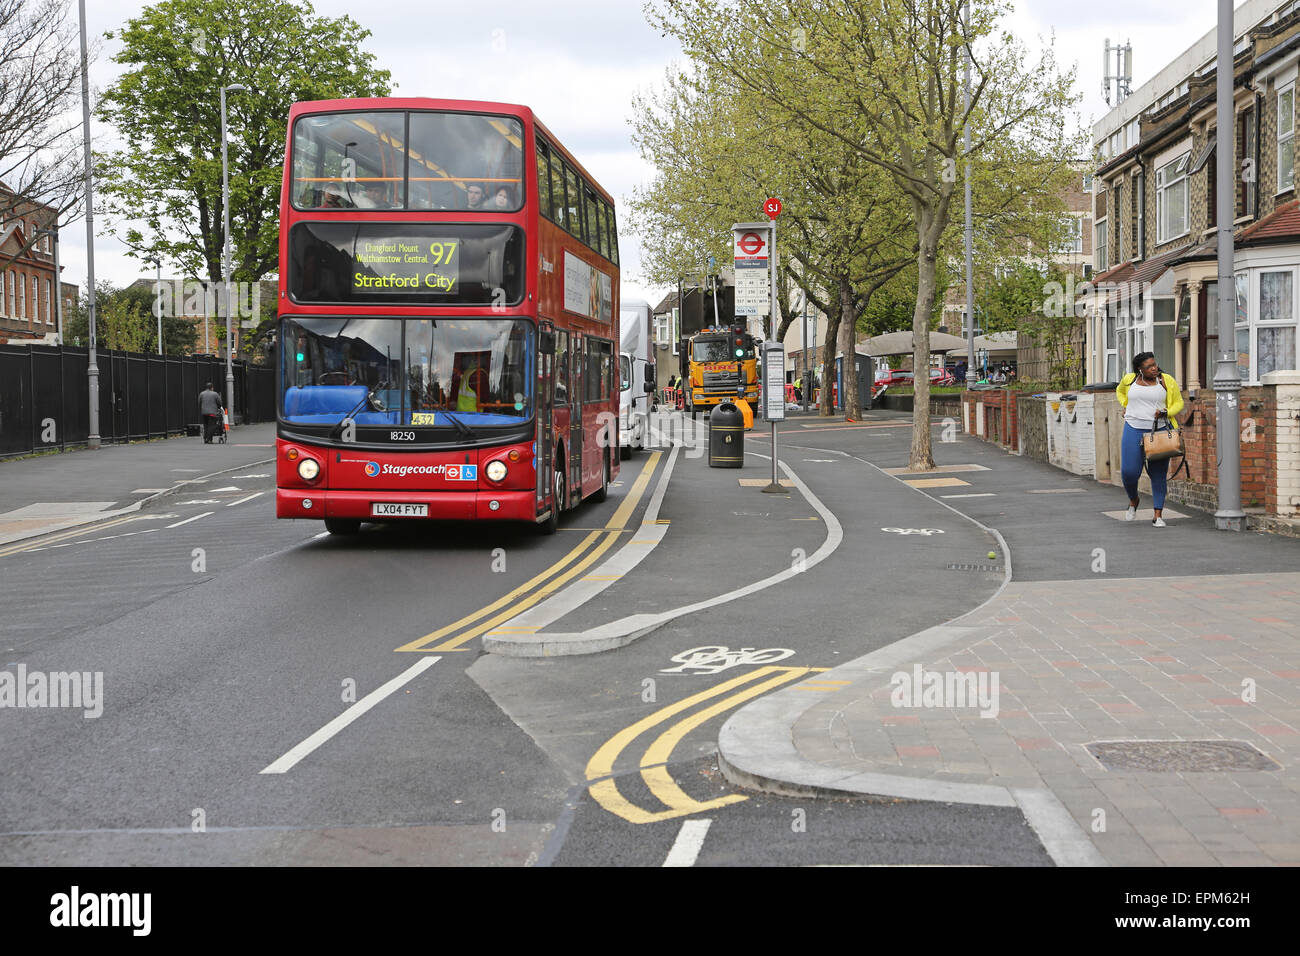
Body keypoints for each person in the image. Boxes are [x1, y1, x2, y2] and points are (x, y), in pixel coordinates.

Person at [1116, 352, 1184, 528]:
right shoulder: (1129, 380)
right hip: (1133, 428)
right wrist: (1126, 406)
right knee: (1129, 473)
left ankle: (1158, 515)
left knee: (1158, 473)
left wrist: (1166, 412)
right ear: (1140, 369)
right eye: (1148, 367)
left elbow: (1179, 403)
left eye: (1154, 364)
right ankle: (1133, 500)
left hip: (1159, 431)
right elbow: (1120, 391)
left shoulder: (1166, 380)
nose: (1154, 368)